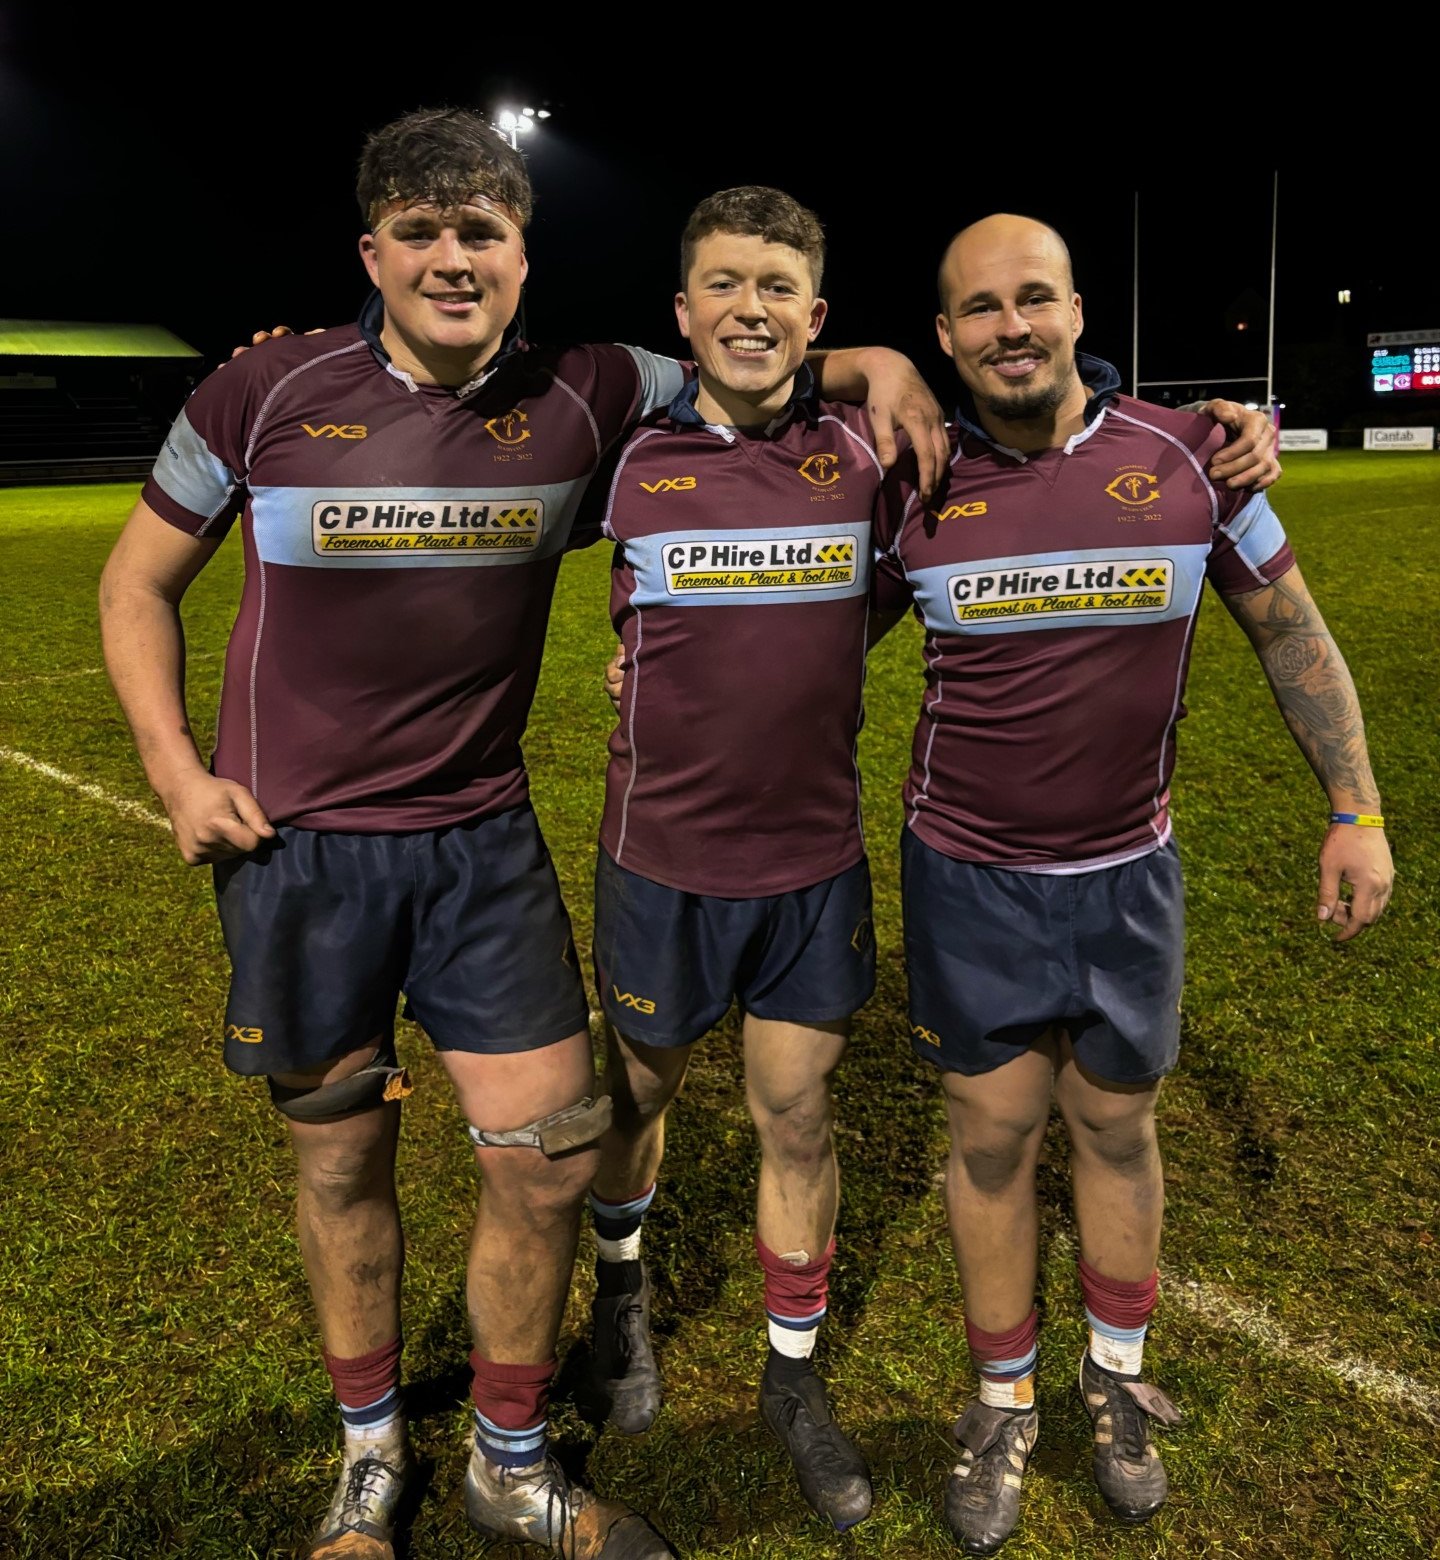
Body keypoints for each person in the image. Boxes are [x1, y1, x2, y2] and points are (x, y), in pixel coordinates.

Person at [99, 103, 956, 1560]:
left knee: (550, 1153)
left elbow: (759, 359)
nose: (452, 258)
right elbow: (136, 586)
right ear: (370, 250)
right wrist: (180, 777)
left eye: (481, 233)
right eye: (421, 233)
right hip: (296, 852)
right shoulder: (263, 392)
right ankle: (370, 1459)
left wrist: (880, 360)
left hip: (481, 843)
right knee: (339, 1160)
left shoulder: (591, 393)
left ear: (522, 252)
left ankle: (508, 1462)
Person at [586, 194, 1285, 1537]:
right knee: (637, 1092)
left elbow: (995, 461)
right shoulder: (619, 452)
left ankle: (798, 1384)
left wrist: (1206, 434)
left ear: (821, 314)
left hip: (815, 858)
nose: (750, 307)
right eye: (723, 285)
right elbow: (452, 451)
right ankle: (622, 1285)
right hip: (658, 857)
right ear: (680, 316)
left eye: (780, 285)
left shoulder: (875, 455)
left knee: (798, 1115)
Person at [870, 213, 1393, 1555]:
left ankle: (1109, 1385)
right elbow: (804, 619)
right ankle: (1000, 1403)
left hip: (1126, 876)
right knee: (991, 1144)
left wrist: (1357, 807)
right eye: (979, 309)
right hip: (970, 878)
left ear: (1078, 308)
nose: (1011, 327)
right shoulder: (912, 478)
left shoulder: (1190, 459)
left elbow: (1292, 632)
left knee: (1113, 1133)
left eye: (1032, 297)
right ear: (945, 336)